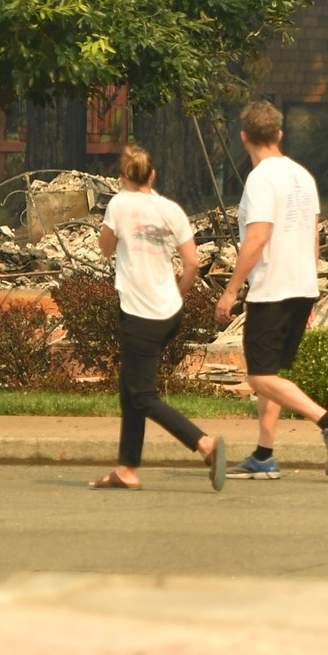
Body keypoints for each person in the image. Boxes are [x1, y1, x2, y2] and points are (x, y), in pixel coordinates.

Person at [215, 101, 328, 476]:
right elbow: (313, 234)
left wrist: (231, 290)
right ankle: (264, 455)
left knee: (259, 377)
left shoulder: (261, 179)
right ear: (280, 134)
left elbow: (257, 236)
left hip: (272, 288)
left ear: (244, 136)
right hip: (300, 285)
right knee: (272, 373)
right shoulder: (301, 176)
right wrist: (311, 284)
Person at [90, 145, 227, 491]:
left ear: (122, 178)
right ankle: (126, 469)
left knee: (143, 395)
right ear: (153, 175)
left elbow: (105, 248)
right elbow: (193, 263)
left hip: (140, 314)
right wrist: (178, 294)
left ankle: (203, 443)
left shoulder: (119, 203)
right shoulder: (172, 210)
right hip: (168, 311)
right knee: (130, 389)